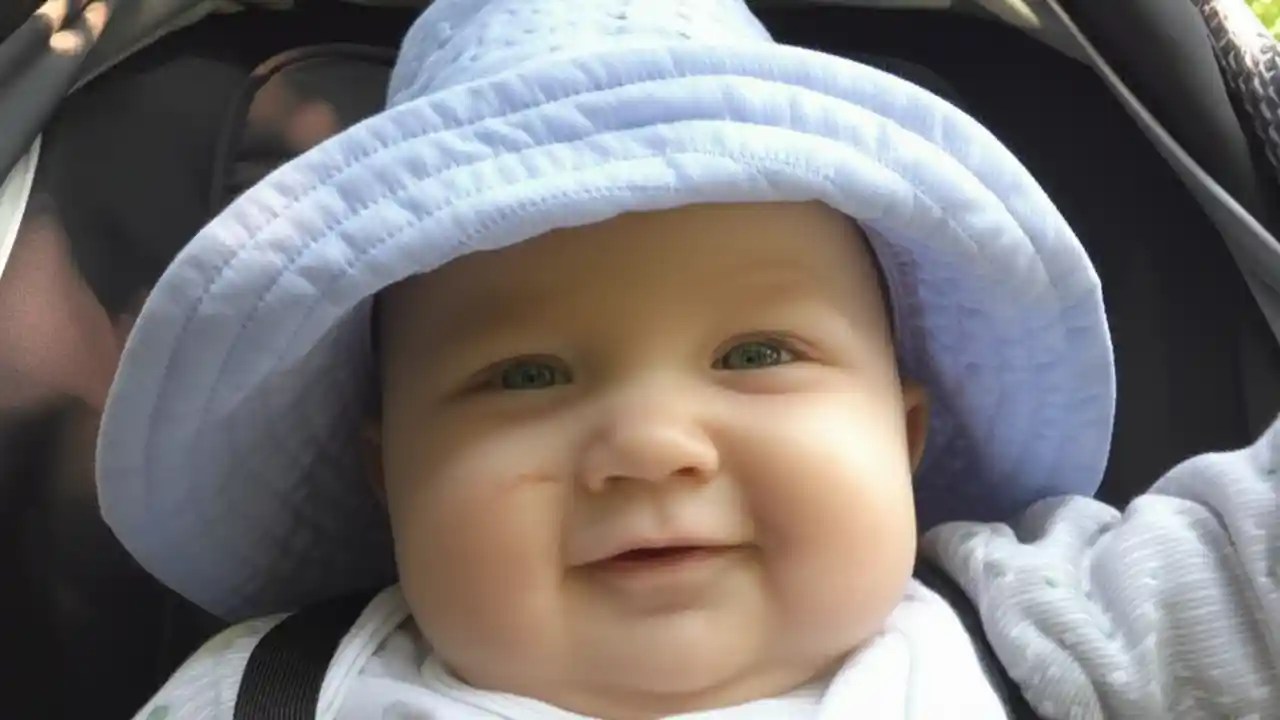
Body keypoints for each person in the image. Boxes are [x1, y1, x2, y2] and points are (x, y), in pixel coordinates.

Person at [96, 0, 1279, 718]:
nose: (651, 446)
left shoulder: (1031, 630)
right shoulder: (265, 691)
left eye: (755, 352)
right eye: (524, 375)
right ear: (388, 472)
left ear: (903, 434)